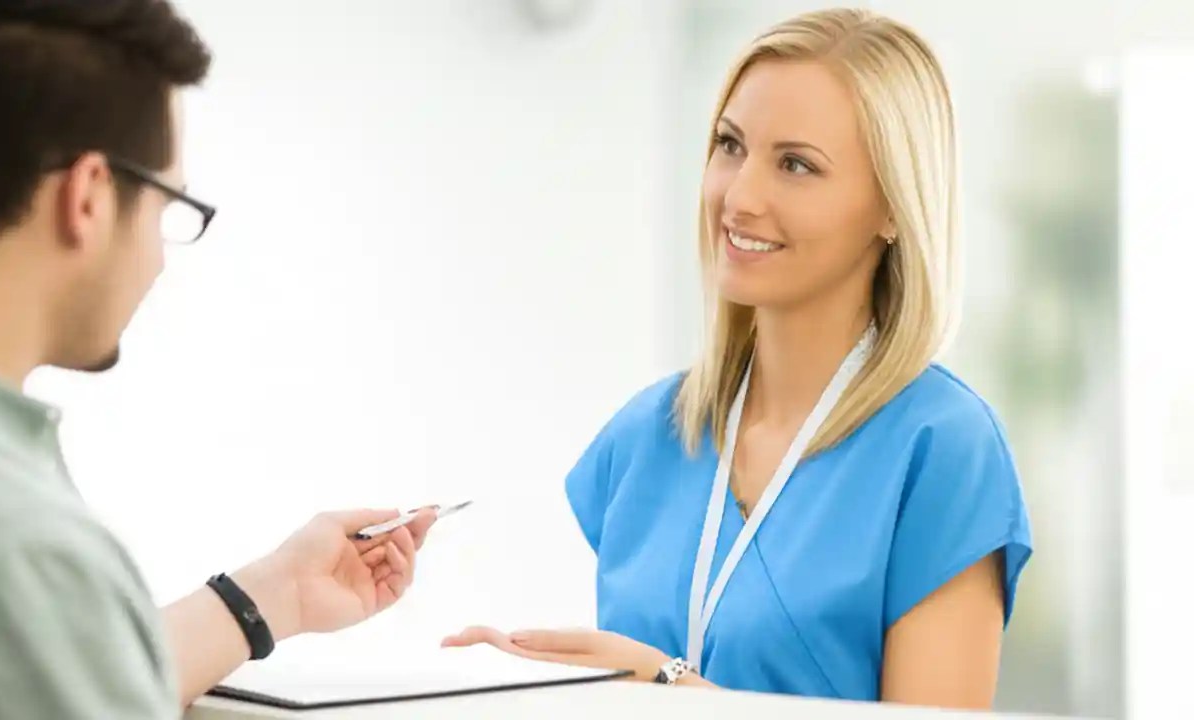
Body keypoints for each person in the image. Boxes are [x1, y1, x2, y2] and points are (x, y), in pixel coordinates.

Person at [443, 8, 1033, 710]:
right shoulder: (646, 439)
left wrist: (671, 688)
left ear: (893, 208)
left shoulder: (942, 453)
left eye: (795, 164)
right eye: (730, 146)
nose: (740, 196)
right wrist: (523, 684)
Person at [0, 1, 436, 717]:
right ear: (89, 196)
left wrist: (273, 593)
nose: (159, 257)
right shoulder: (16, 553)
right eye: (167, 207)